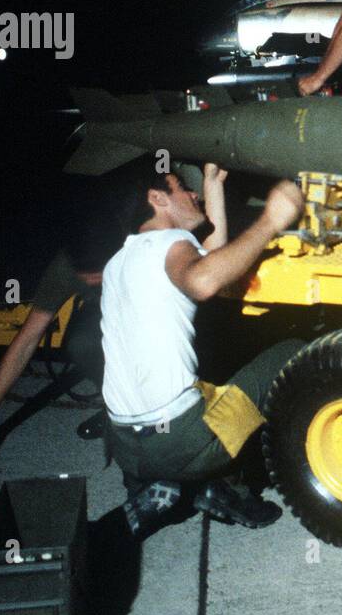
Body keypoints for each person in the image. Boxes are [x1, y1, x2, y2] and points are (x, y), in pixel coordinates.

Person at [103, 165, 304, 538]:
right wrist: (271, 220)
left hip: (126, 447)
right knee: (295, 351)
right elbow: (204, 280)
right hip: (178, 441)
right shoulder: (170, 245)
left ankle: (171, 485)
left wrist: (214, 187)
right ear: (157, 198)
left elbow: (211, 259)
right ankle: (221, 485)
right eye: (183, 189)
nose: (192, 195)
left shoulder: (122, 261)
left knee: (208, 377)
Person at [0, 190, 124, 466]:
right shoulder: (65, 267)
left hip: (158, 302)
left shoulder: (143, 242)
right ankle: (118, 409)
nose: (93, 278)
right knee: (83, 342)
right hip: (110, 309)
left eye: (100, 269)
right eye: (86, 273)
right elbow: (26, 341)